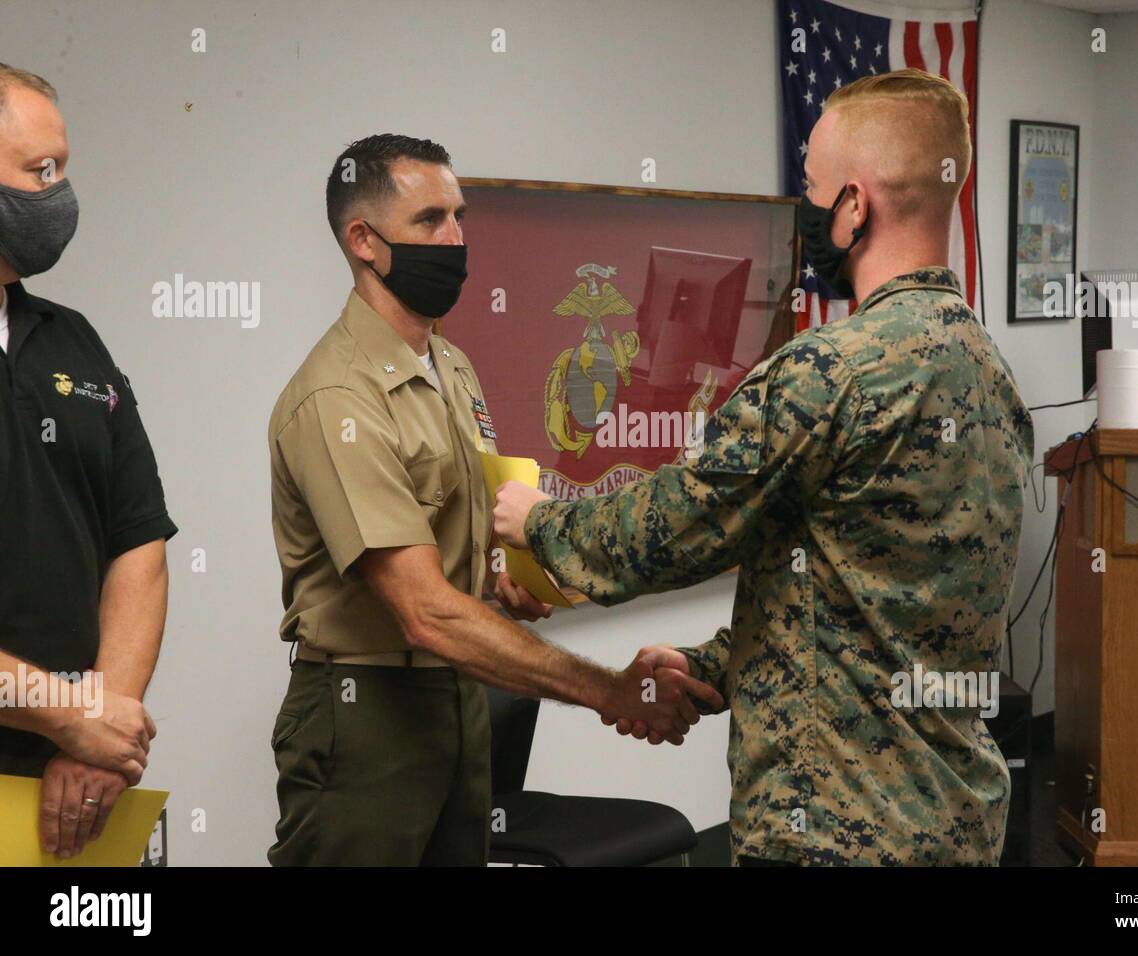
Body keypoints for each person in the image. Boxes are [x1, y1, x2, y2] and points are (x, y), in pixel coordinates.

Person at [495, 69, 1034, 866]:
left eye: (811, 188)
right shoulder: (988, 370)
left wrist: (537, 523)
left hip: (835, 831)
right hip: (955, 821)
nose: (804, 210)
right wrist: (711, 666)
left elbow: (671, 528)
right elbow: (881, 600)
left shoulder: (830, 371)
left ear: (854, 206)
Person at [266, 134, 722, 866]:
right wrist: (608, 690)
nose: (455, 239)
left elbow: (462, 543)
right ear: (363, 241)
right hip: (366, 711)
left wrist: (503, 576)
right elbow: (425, 611)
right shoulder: (337, 397)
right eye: (429, 220)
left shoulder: (450, 363)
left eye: (459, 216)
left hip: (461, 697)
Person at [0, 64, 175, 859]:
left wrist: (97, 728)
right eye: (40, 172)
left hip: (71, 793)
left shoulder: (72, 338)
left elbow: (138, 543)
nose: (58, 195)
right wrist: (70, 715)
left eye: (61, 170)